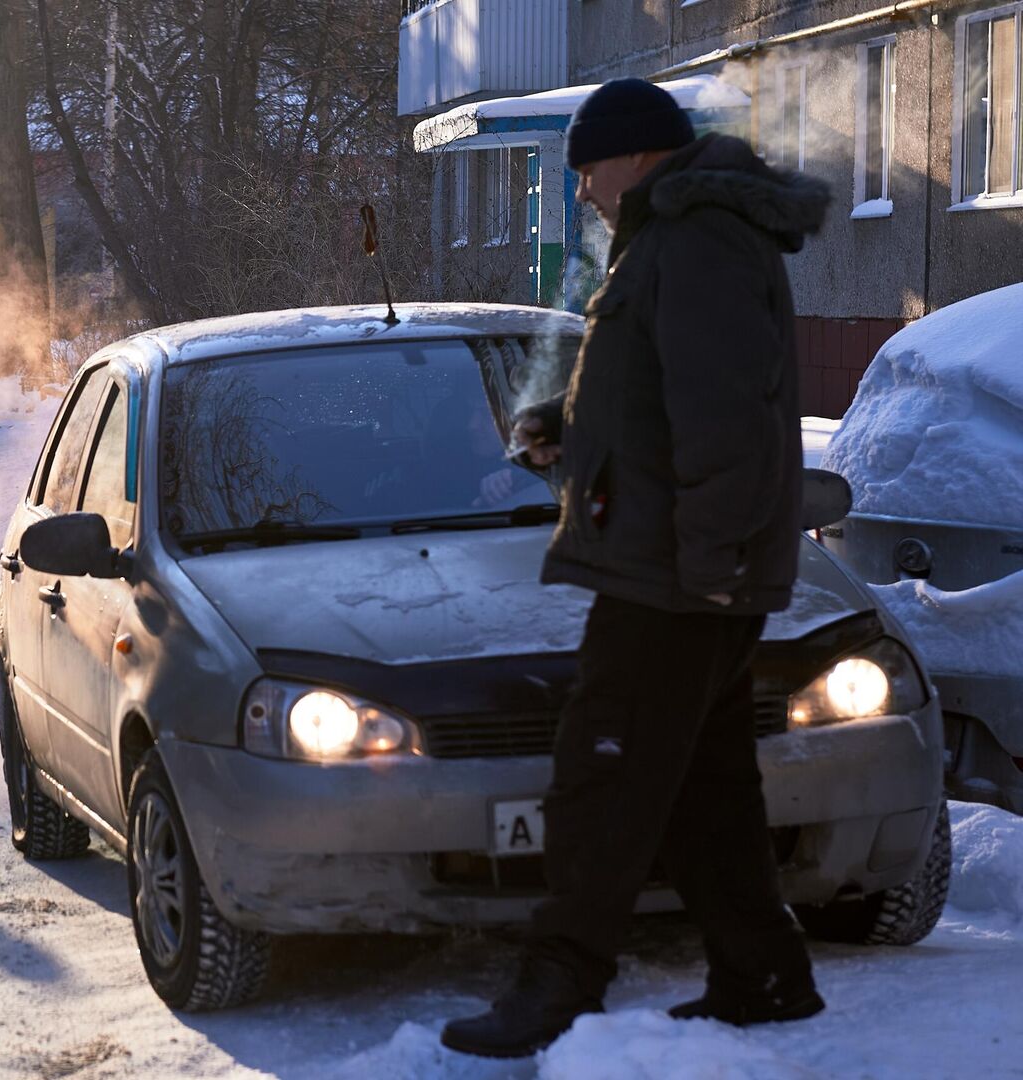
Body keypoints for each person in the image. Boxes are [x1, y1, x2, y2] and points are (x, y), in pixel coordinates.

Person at [440, 79, 830, 1058]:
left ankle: (557, 986)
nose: (582, 192)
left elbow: (728, 421)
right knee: (706, 787)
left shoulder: (693, 238)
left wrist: (708, 567)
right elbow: (667, 401)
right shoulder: (675, 236)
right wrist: (570, 435)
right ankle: (763, 972)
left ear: (636, 156)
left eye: (586, 169)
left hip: (675, 578)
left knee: (601, 776)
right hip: (684, 567)